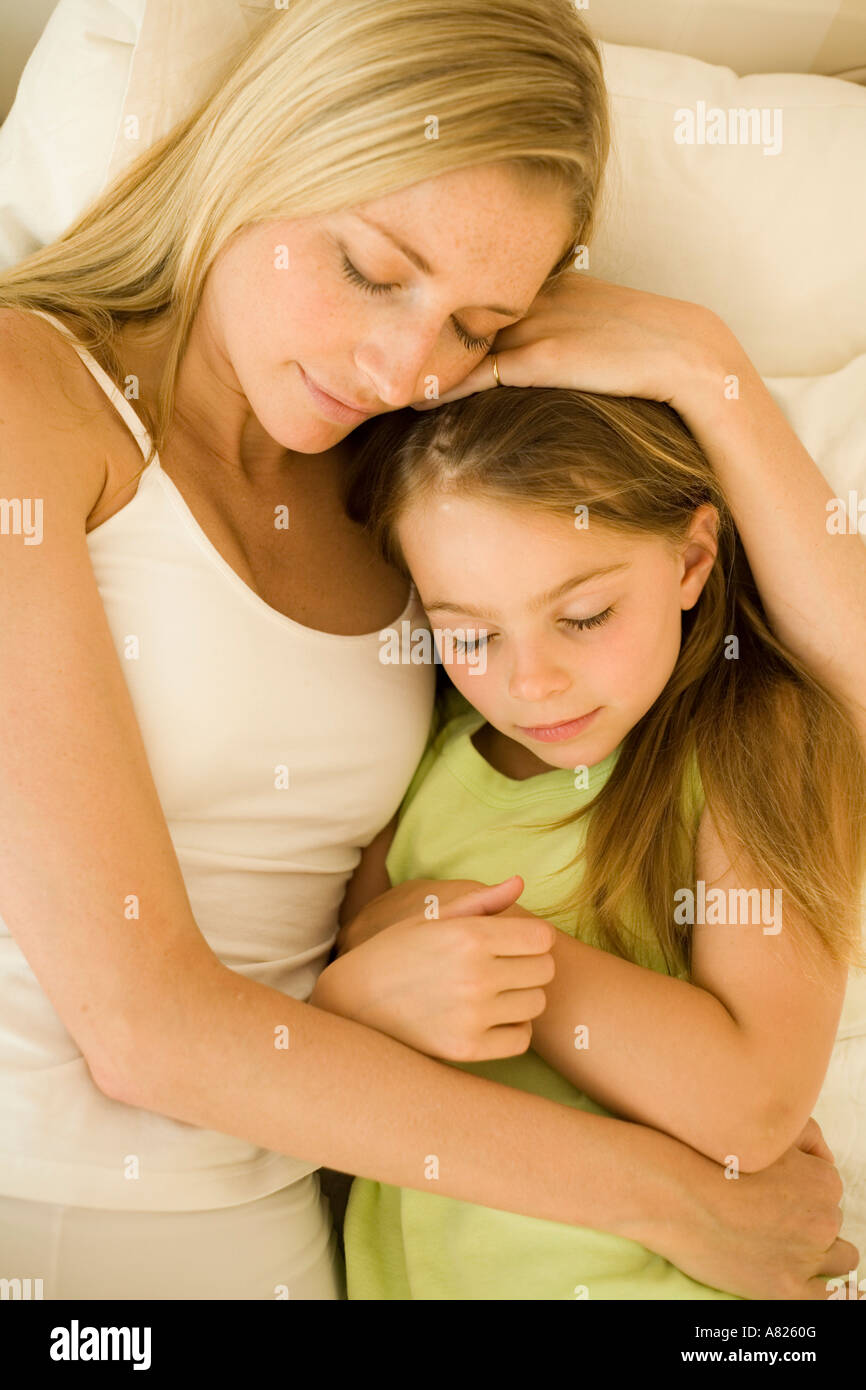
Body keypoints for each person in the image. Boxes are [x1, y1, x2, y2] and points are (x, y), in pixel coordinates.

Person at [0, 0, 861, 1299]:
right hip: (46, 1197)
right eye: (370, 265)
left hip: (307, 1209)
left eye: (475, 320)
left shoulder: (403, 475)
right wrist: (684, 1199)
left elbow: (837, 673)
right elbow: (148, 1026)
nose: (407, 359)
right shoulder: (31, 401)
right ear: (261, 147)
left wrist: (710, 369)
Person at [325, 384, 866, 1299]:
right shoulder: (416, 767)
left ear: (692, 560)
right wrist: (366, 975)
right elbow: (342, 1041)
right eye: (470, 636)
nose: (530, 682)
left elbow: (753, 1104)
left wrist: (494, 962)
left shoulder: (754, 742)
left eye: (584, 617)